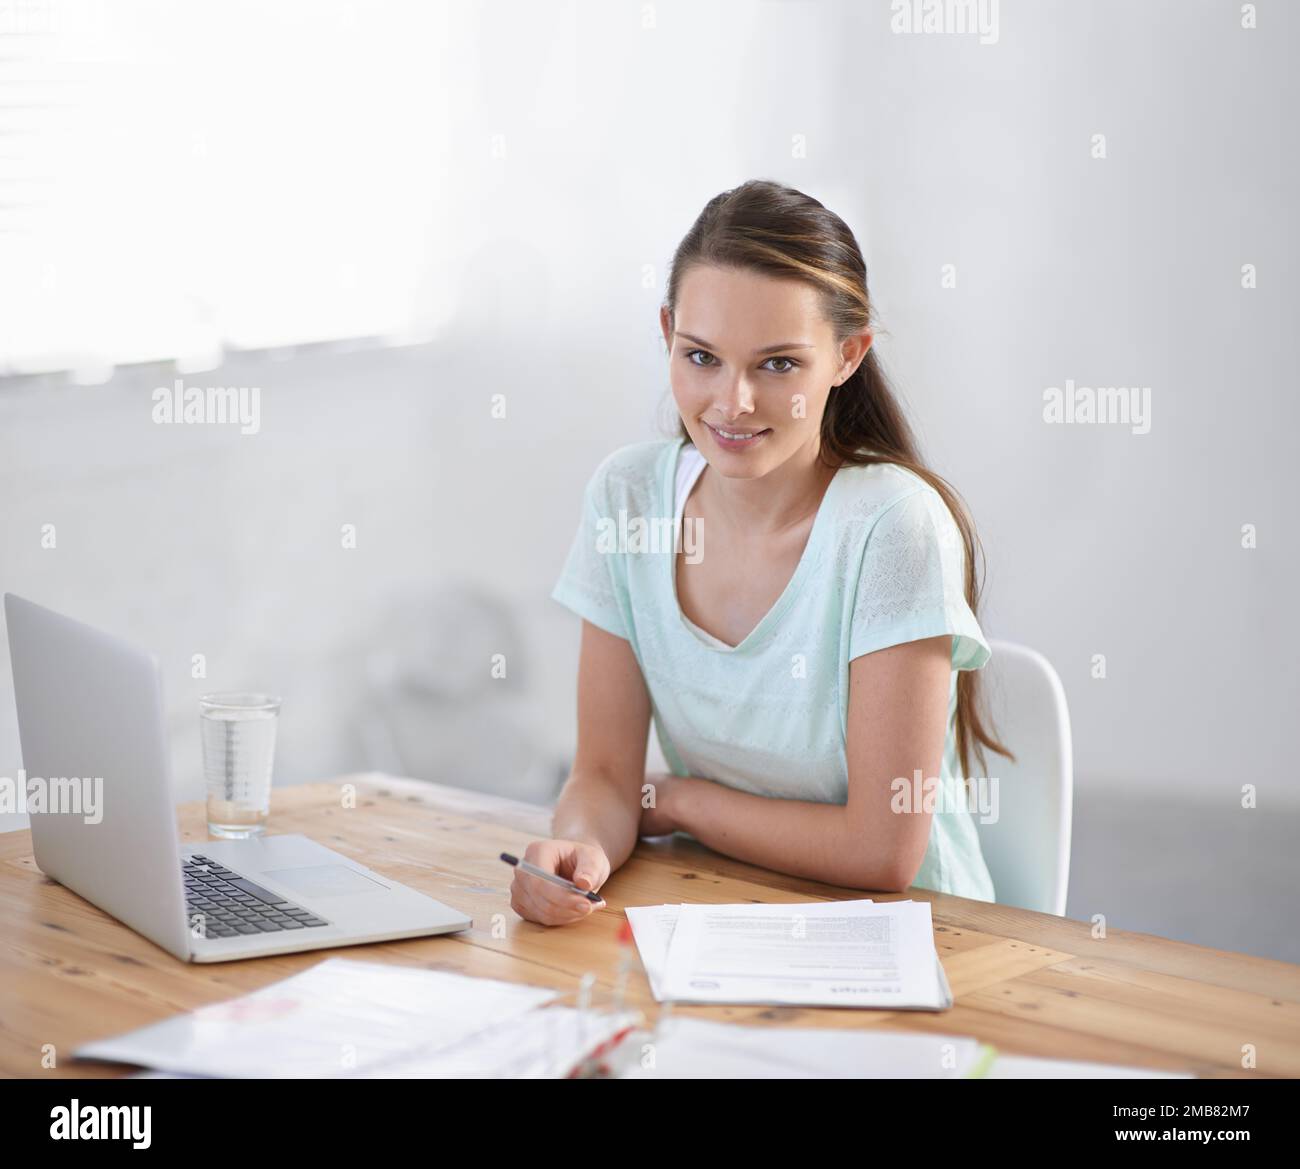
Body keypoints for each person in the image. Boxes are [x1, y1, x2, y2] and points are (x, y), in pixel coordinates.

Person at [510, 179, 1012, 926]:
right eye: (701, 356)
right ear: (667, 332)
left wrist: (677, 801)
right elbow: (608, 776)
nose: (732, 402)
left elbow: (881, 850)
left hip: (916, 938)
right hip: (721, 915)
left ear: (848, 355)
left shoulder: (895, 527)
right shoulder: (628, 499)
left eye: (778, 364)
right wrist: (579, 847)